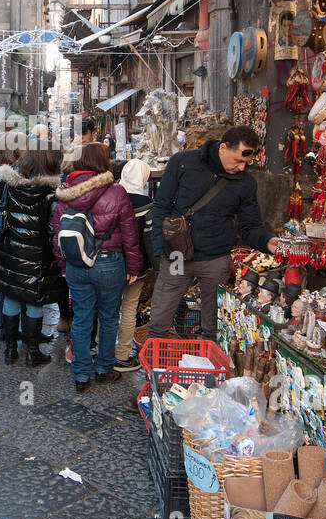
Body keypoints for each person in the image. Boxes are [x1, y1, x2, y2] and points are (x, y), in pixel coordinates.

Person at [148, 126, 278, 340]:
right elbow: (161, 206)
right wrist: (160, 248)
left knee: (214, 326)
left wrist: (267, 241)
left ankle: (210, 367)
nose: (242, 167)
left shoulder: (245, 183)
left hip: (215, 259)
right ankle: (155, 364)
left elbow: (249, 226)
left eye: (246, 163)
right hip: (177, 255)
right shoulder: (183, 162)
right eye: (238, 161)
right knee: (160, 319)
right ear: (223, 147)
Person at [51, 143, 141, 393]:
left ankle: (81, 375)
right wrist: (134, 265)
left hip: (76, 264)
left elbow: (57, 236)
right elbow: (129, 232)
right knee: (109, 317)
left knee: (81, 317)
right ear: (104, 163)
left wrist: (63, 265)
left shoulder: (64, 193)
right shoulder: (117, 192)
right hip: (109, 262)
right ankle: (103, 369)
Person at [0, 147, 63, 366]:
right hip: (38, 255)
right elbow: (51, 230)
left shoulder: (10, 184)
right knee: (34, 301)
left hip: (11, 250)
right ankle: (32, 352)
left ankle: (10, 351)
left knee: (11, 296)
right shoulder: (50, 194)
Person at [114, 158, 155, 372]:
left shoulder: (111, 197)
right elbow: (149, 241)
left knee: (108, 308)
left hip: (111, 264)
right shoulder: (148, 204)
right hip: (137, 268)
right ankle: (122, 355)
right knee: (129, 308)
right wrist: (155, 267)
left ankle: (102, 351)